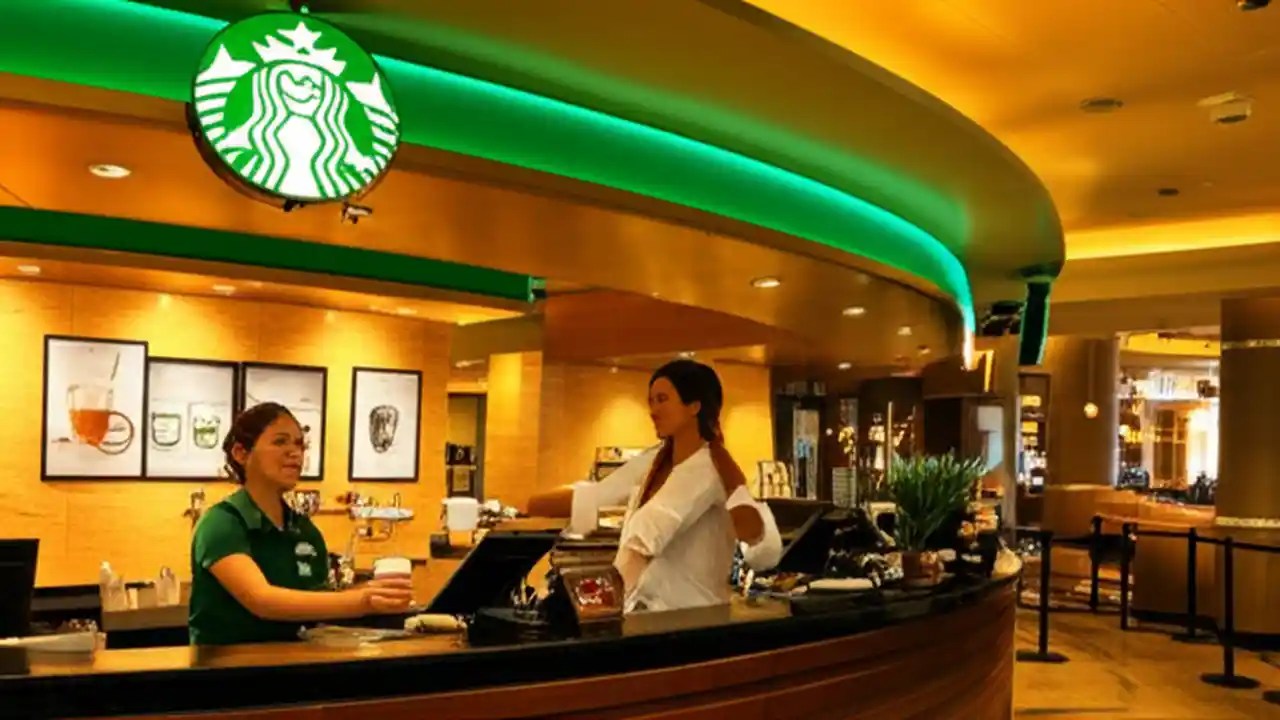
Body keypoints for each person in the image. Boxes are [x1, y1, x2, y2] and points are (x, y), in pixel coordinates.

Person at [188, 403, 412, 645]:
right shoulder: (222, 523)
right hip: (227, 674)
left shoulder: (304, 530)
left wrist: (375, 593)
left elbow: (318, 602)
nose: (295, 452)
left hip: (298, 669)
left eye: (299, 444)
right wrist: (363, 600)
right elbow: (262, 600)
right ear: (241, 453)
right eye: (280, 442)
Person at [592, 359, 782, 612]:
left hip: (689, 623)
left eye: (662, 399)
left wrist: (603, 605)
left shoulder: (705, 467)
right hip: (659, 618)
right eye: (651, 401)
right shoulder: (657, 463)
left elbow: (646, 538)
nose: (653, 410)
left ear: (694, 406)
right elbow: (604, 499)